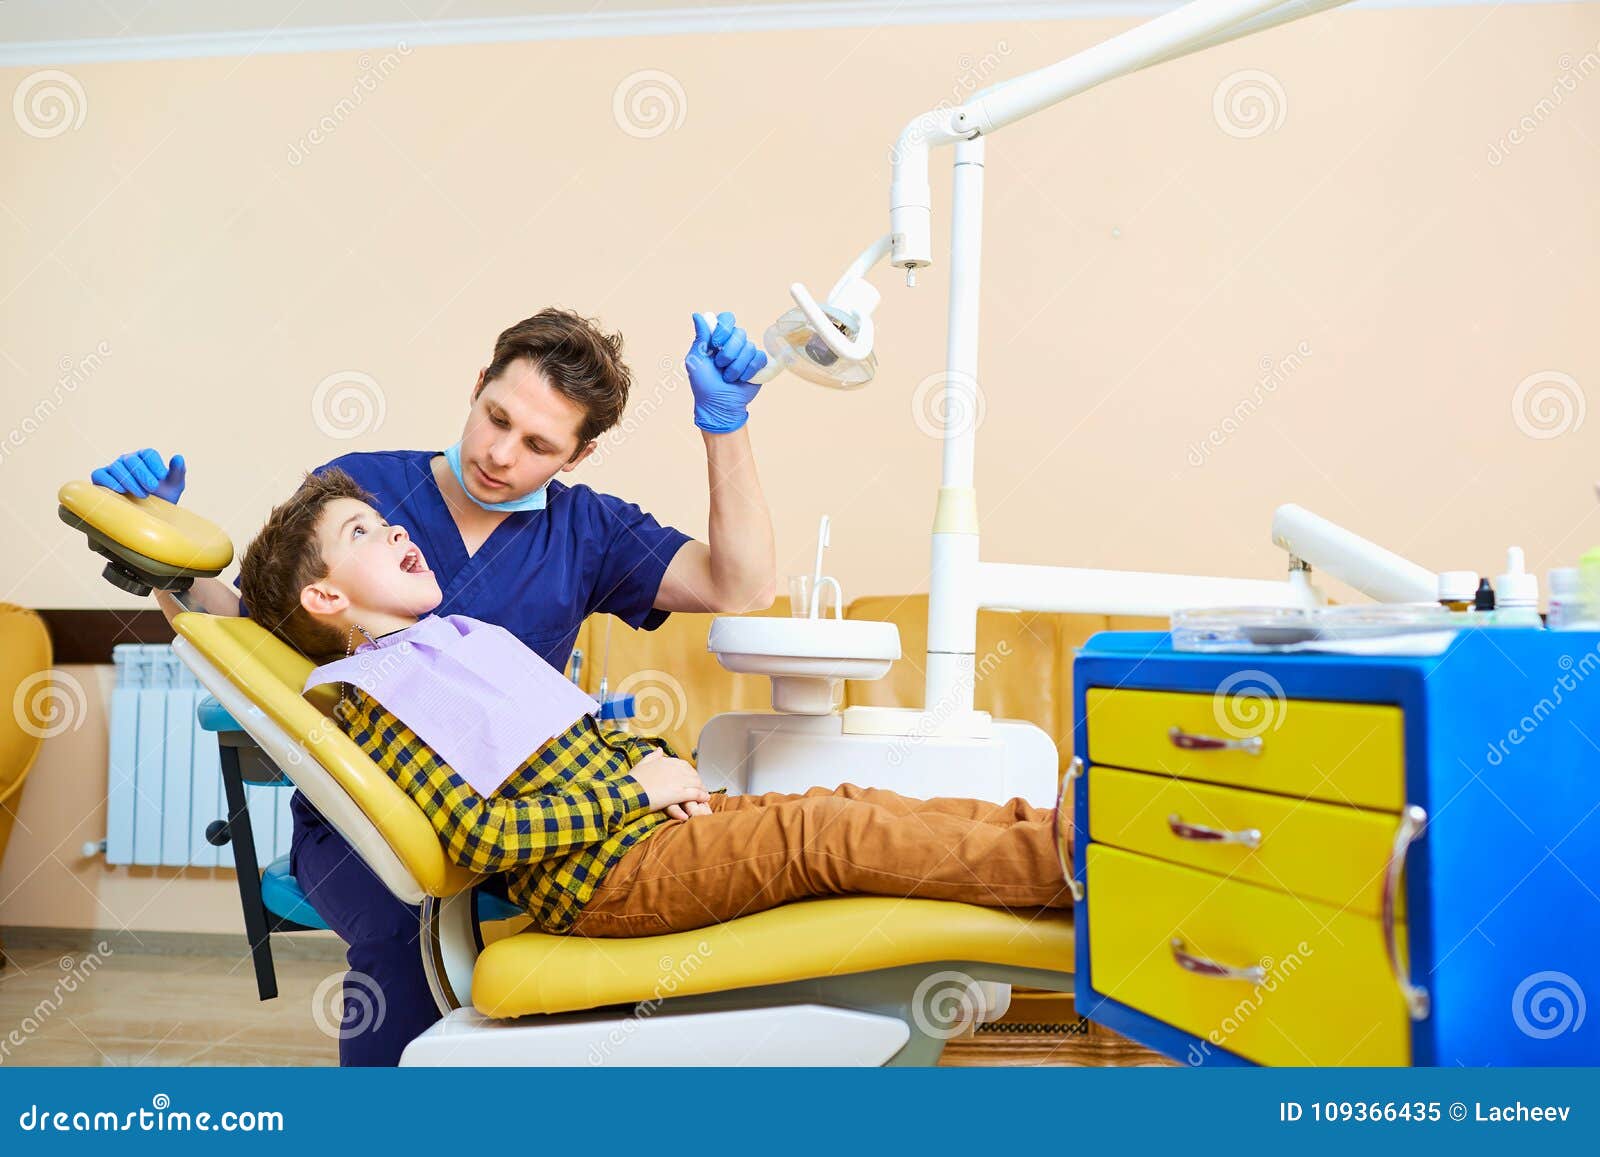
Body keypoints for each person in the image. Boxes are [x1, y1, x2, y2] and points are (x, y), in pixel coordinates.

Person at [91, 307, 780, 1065]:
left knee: (630, 927)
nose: (499, 453)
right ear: (478, 383)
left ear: (577, 455)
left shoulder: (591, 532)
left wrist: (725, 423)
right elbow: (254, 634)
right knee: (406, 927)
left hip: (523, 819)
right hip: (366, 818)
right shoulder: (362, 493)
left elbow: (738, 585)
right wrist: (168, 556)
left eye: (538, 444)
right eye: (496, 417)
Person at [235, 466, 1074, 941]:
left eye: (382, 522)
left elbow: (576, 736)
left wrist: (651, 757)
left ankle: (1055, 831)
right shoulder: (380, 697)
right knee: (829, 834)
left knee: (844, 802)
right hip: (606, 880)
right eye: (359, 535)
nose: (391, 532)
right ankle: (1068, 873)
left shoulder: (451, 643)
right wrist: (639, 791)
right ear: (323, 601)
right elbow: (478, 837)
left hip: (651, 835)